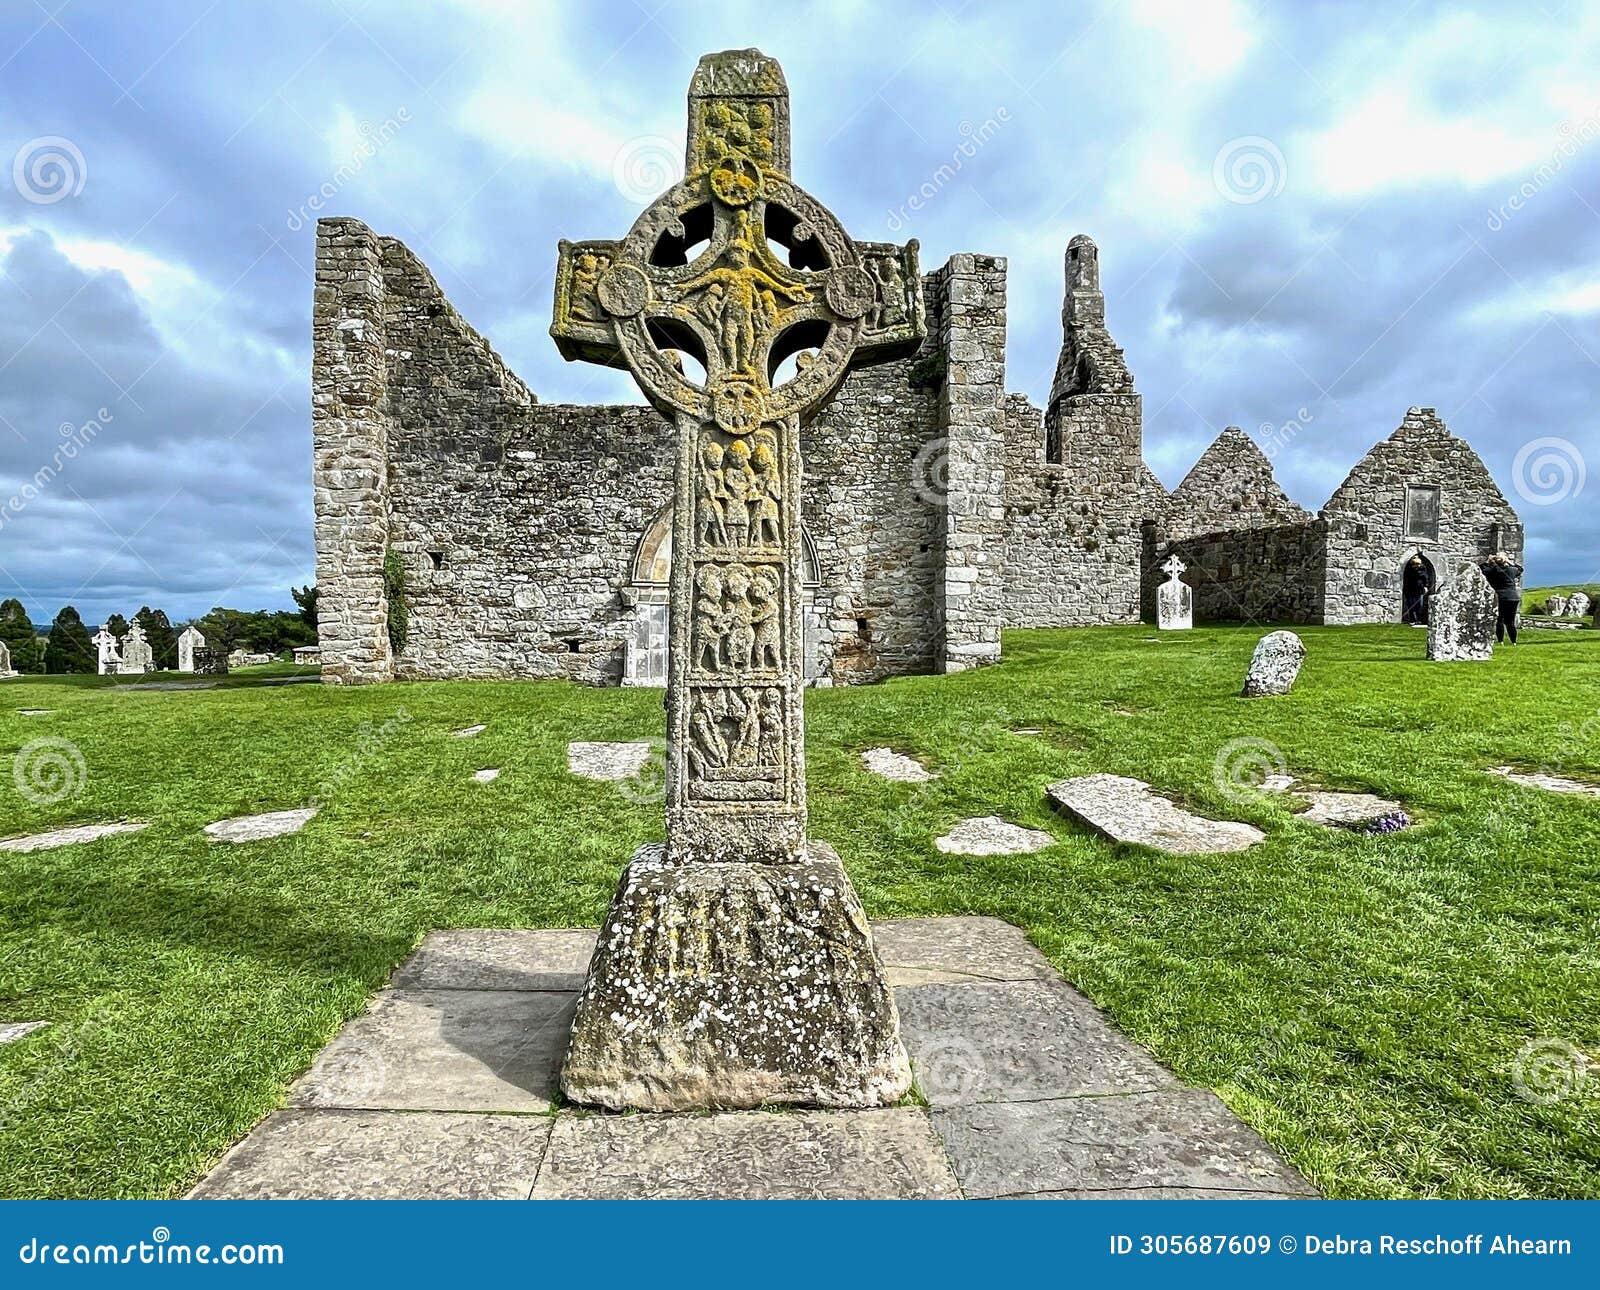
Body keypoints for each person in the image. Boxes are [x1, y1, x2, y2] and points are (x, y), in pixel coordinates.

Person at [1481, 551, 1524, 644]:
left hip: (1500, 596)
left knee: (1499, 619)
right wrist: (1508, 561)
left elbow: (1482, 569)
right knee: (1510, 621)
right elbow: (1520, 569)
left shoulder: (1492, 571)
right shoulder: (1511, 570)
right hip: (1513, 597)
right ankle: (1514, 642)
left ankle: (1500, 641)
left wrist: (1488, 561)